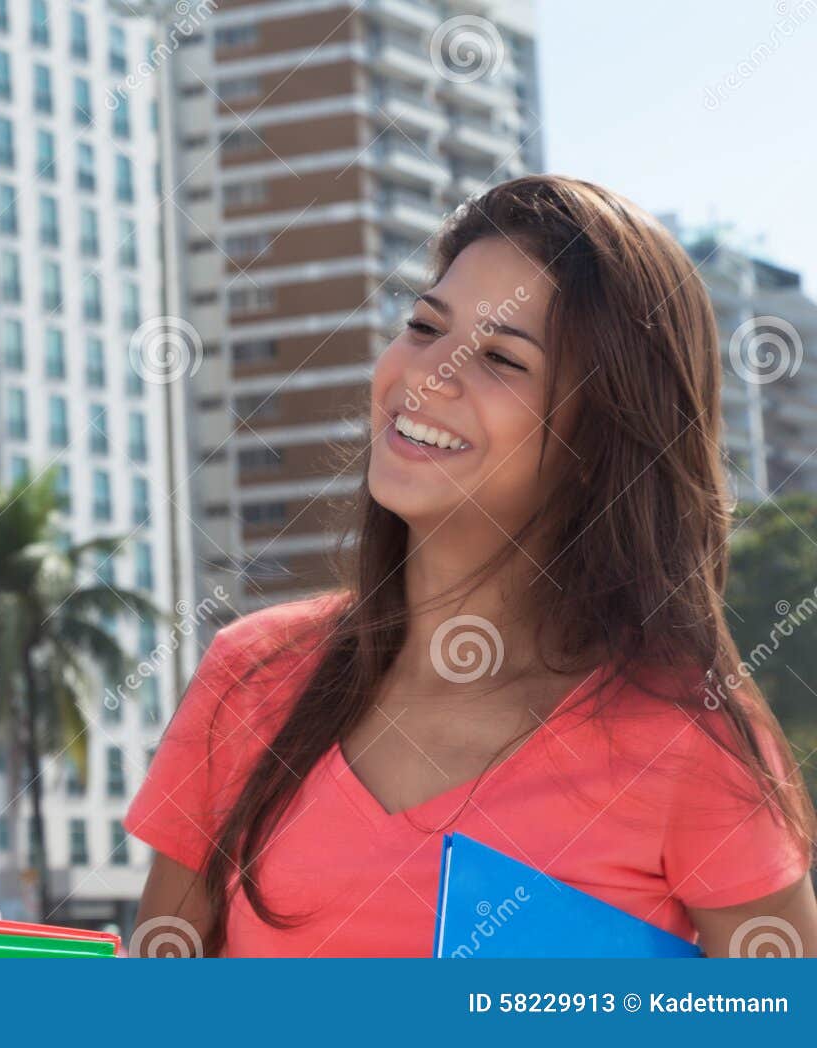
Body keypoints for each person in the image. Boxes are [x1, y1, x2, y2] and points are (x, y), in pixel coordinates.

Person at [127, 175, 816, 957]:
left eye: (500, 358)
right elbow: (160, 1003)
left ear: (604, 440)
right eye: (424, 326)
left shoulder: (684, 734)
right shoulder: (250, 675)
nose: (426, 375)